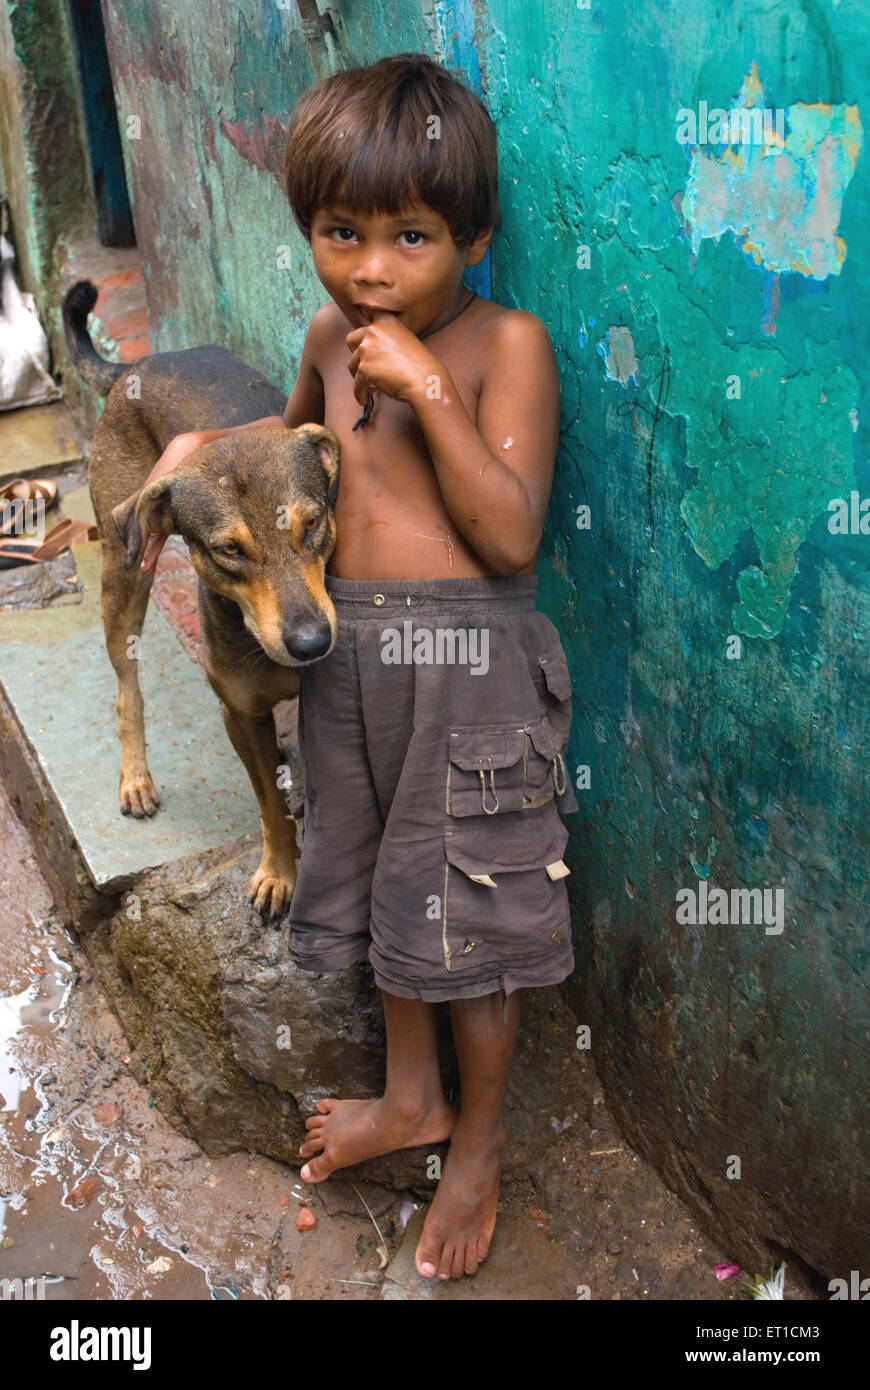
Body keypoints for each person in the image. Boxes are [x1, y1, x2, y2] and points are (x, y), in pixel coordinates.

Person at [138, 52, 578, 1282]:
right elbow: (285, 445)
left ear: (473, 235)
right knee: (388, 876)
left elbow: (508, 532)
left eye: (412, 236)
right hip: (347, 660)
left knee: (476, 902)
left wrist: (435, 391)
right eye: (341, 232)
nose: (372, 267)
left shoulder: (509, 346)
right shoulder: (333, 333)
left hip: (471, 669)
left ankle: (477, 1138)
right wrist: (197, 446)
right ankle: (409, 1096)